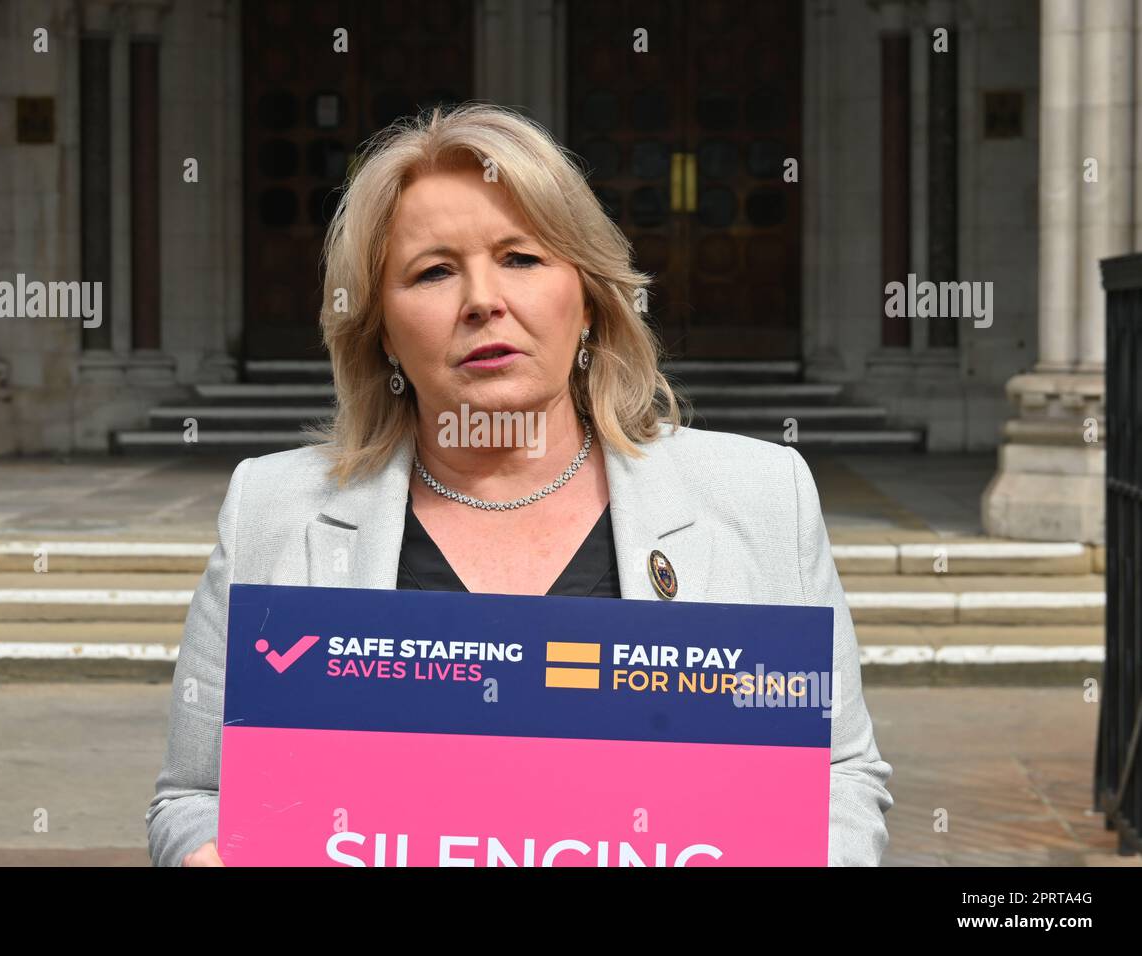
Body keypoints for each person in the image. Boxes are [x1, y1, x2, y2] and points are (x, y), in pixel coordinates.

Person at [146, 103, 893, 867]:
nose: (482, 300)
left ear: (590, 303)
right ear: (381, 331)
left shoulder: (762, 493)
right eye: (433, 271)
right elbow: (195, 798)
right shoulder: (272, 510)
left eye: (522, 258)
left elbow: (838, 778)